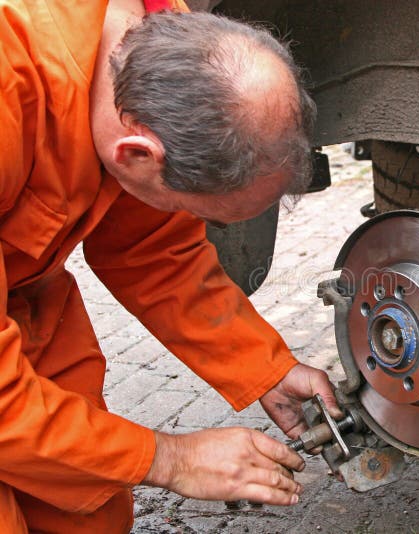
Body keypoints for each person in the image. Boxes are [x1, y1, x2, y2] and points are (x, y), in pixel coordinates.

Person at [0, 0, 340, 531]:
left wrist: (266, 369)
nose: (184, 218)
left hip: (22, 300)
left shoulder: (160, 49)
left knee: (85, 512)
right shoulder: (11, 86)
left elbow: (155, 250)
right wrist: (170, 459)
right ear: (136, 155)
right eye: (190, 207)